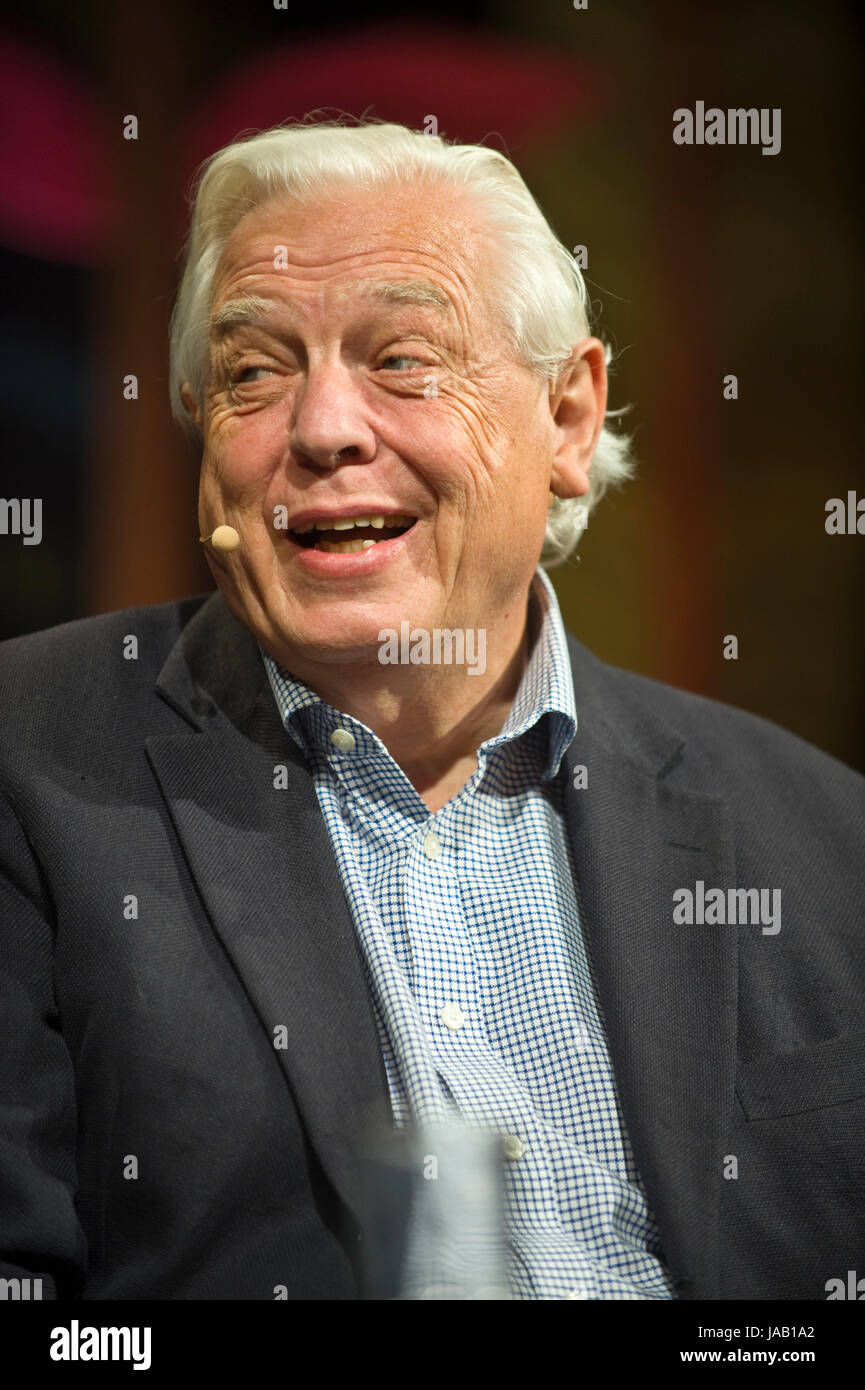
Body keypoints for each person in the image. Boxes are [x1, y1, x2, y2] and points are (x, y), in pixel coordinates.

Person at [1, 119, 863, 1302]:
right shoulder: (30, 764)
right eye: (254, 372)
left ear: (566, 417)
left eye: (403, 358)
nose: (321, 430)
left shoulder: (822, 839)